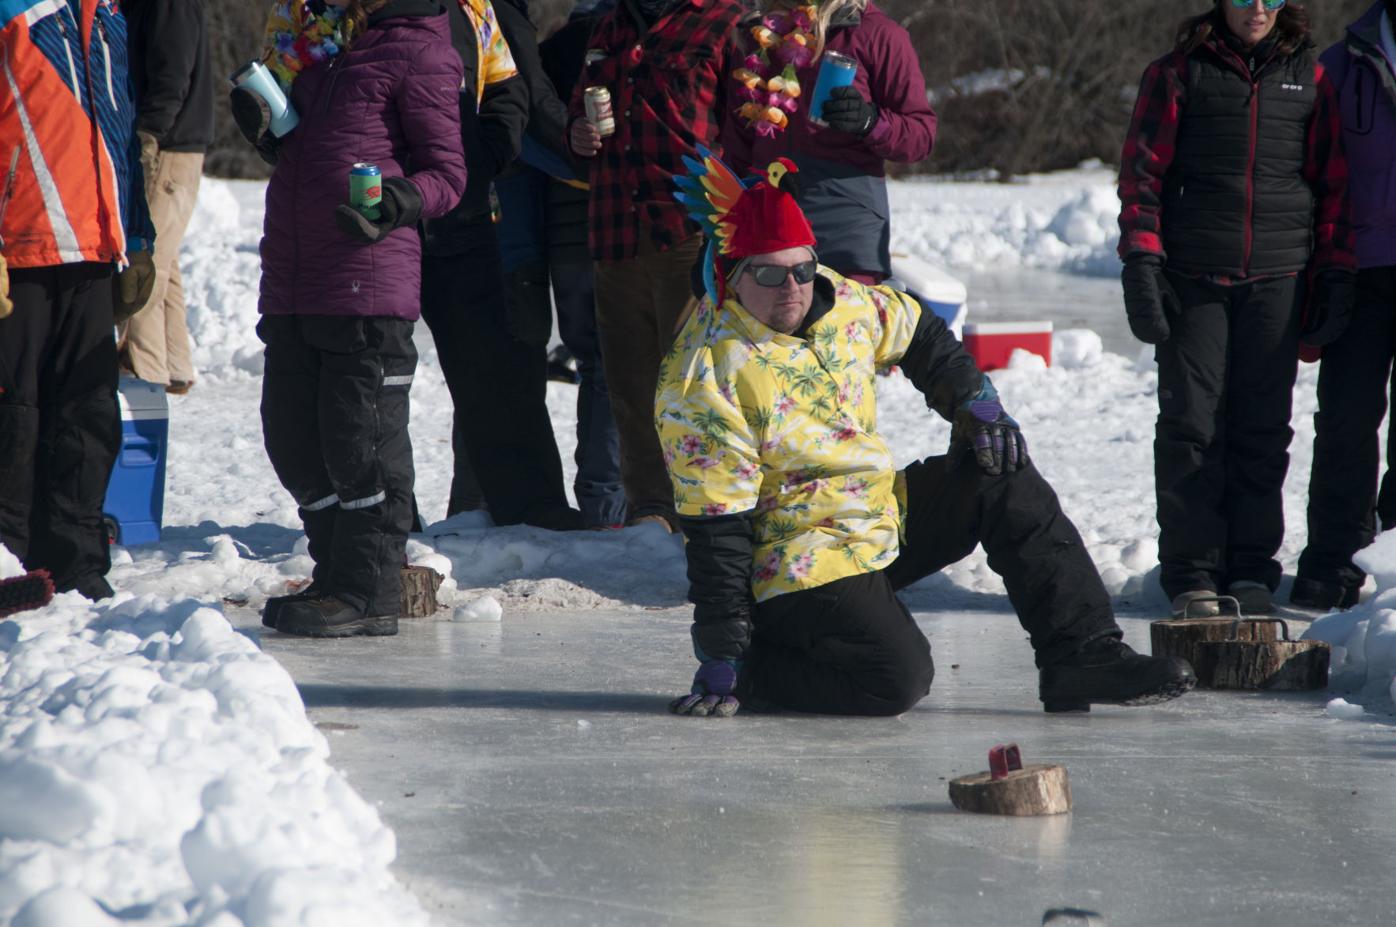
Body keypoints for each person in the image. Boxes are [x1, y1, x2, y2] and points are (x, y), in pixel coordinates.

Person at [659, 152, 1196, 717]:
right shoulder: (704, 377)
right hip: (792, 555)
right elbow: (717, 529)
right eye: (769, 273)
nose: (792, 287)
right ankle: (759, 671)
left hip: (872, 514)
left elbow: (918, 331)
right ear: (730, 276)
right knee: (896, 679)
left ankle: (1082, 657)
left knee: (1000, 475)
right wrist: (724, 649)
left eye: (802, 268)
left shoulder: (840, 301)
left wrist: (974, 403)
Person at [232, 0, 467, 637]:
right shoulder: (327, 46)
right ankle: (335, 575)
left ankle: (370, 591)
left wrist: (399, 199)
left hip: (367, 285)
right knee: (294, 443)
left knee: (360, 447)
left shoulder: (422, 50)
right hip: (294, 279)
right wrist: (268, 127)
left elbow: (449, 172)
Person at [1116, 0, 1355, 618]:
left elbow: (1332, 186)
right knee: (1191, 427)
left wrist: (1333, 272)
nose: (1257, 8)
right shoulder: (1176, 72)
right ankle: (1192, 572)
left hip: (1279, 278)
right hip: (1193, 277)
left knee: (1261, 431)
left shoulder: (1312, 76)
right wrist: (1142, 262)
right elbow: (1142, 177)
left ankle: (1251, 570)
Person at [567, 0, 746, 532]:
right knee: (629, 382)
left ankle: (710, 512)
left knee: (698, 381)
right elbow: (579, 111)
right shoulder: (608, 25)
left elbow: (750, 131)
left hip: (691, 228)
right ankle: (652, 513)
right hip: (615, 229)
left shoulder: (727, 22)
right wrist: (577, 132)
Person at [0, 0, 157, 601]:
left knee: (88, 418)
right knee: (14, 416)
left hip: (94, 247)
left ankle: (75, 564)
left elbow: (124, 129)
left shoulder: (112, 13)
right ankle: (7, 562)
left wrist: (137, 238)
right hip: (20, 250)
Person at [490, 0, 627, 529]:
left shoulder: (546, 49)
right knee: (621, 365)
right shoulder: (637, 44)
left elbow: (527, 133)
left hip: (563, 227)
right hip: (622, 220)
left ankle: (601, 504)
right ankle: (618, 503)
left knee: (594, 362)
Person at [1293, 0, 1396, 611]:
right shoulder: (1338, 65)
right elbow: (1305, 174)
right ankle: (1334, 561)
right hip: (1359, 269)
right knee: (1346, 423)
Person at [719, 0, 935, 284]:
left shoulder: (878, 34)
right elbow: (736, 151)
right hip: (766, 230)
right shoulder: (755, 36)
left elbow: (921, 135)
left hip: (845, 230)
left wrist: (869, 122)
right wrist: (717, 242)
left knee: (838, 329)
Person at [120, 0, 213, 395]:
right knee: (165, 257)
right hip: (175, 143)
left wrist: (149, 134)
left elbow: (171, 73)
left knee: (145, 262)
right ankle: (174, 364)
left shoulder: (168, 5)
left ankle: (144, 370)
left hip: (167, 146)